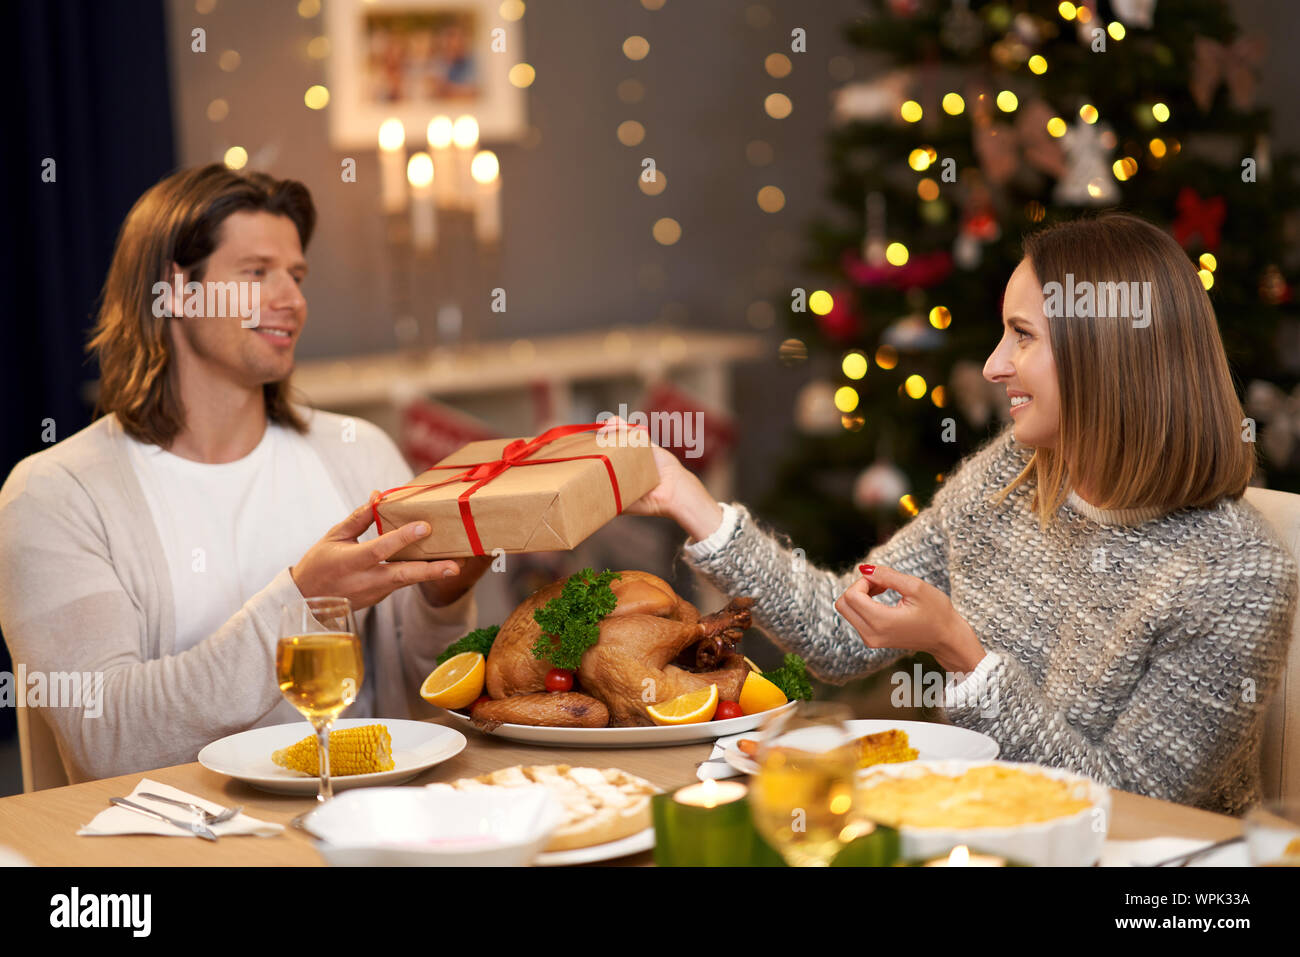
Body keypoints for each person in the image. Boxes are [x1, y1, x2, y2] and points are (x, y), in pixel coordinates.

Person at [624, 212, 1298, 816]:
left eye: (1022, 336)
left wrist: (961, 652)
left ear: (1106, 355)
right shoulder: (1014, 473)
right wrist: (690, 500)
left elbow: (1121, 804)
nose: (994, 364)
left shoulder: (1236, 572)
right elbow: (840, 629)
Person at [0, 164, 488, 784]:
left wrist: (442, 599)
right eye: (257, 273)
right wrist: (301, 603)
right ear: (176, 291)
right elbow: (108, 741)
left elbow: (426, 706)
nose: (292, 300)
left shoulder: (359, 452)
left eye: (297, 274)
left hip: (367, 822)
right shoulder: (54, 495)